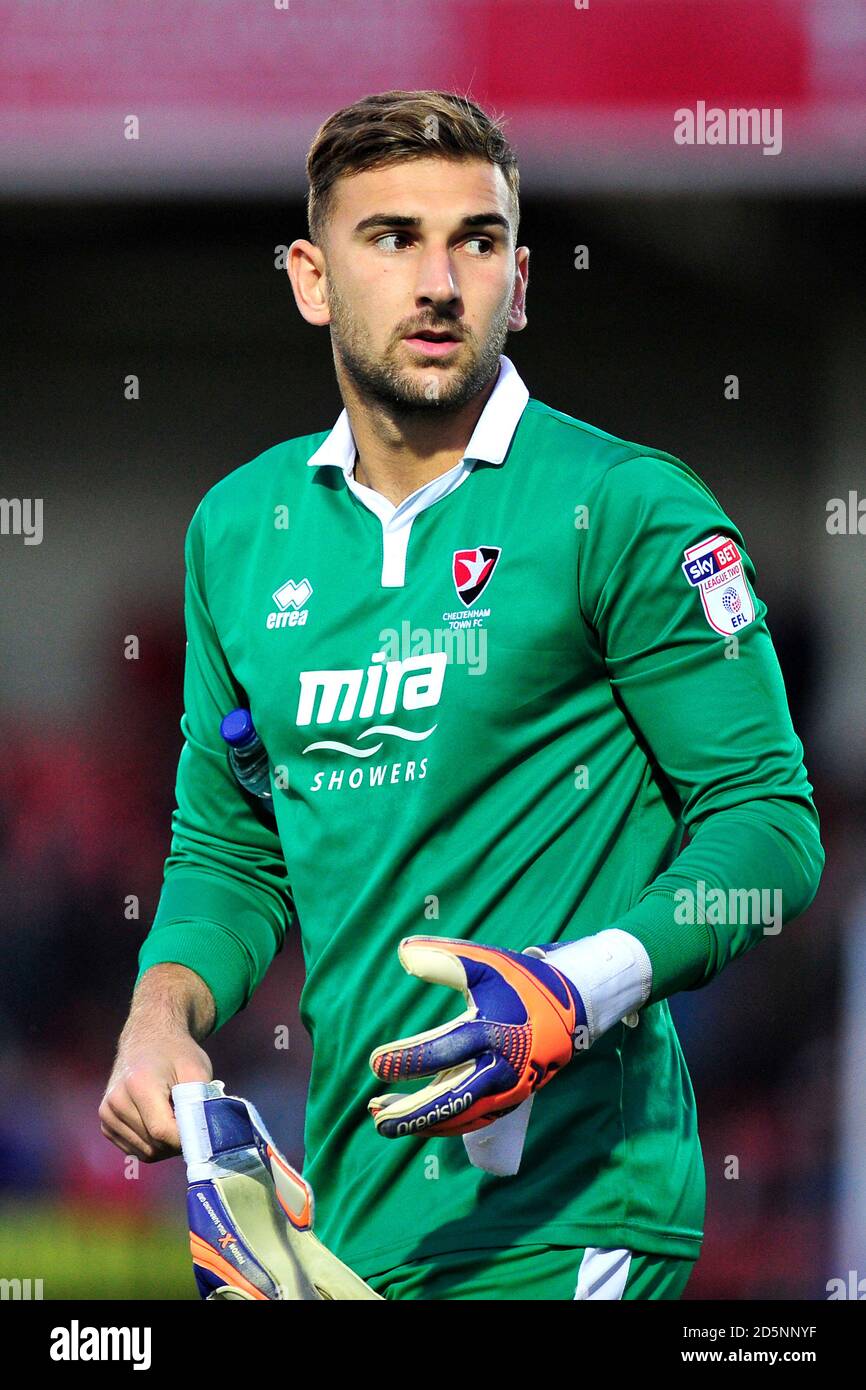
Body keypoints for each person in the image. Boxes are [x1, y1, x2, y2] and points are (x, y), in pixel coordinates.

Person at [100, 89, 824, 1301]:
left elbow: (768, 825)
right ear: (309, 278)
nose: (439, 281)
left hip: (577, 1216)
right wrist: (158, 1012)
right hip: (352, 1219)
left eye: (475, 242)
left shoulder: (627, 507)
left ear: (521, 279)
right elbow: (230, 850)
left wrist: (568, 990)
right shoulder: (236, 531)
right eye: (390, 238)